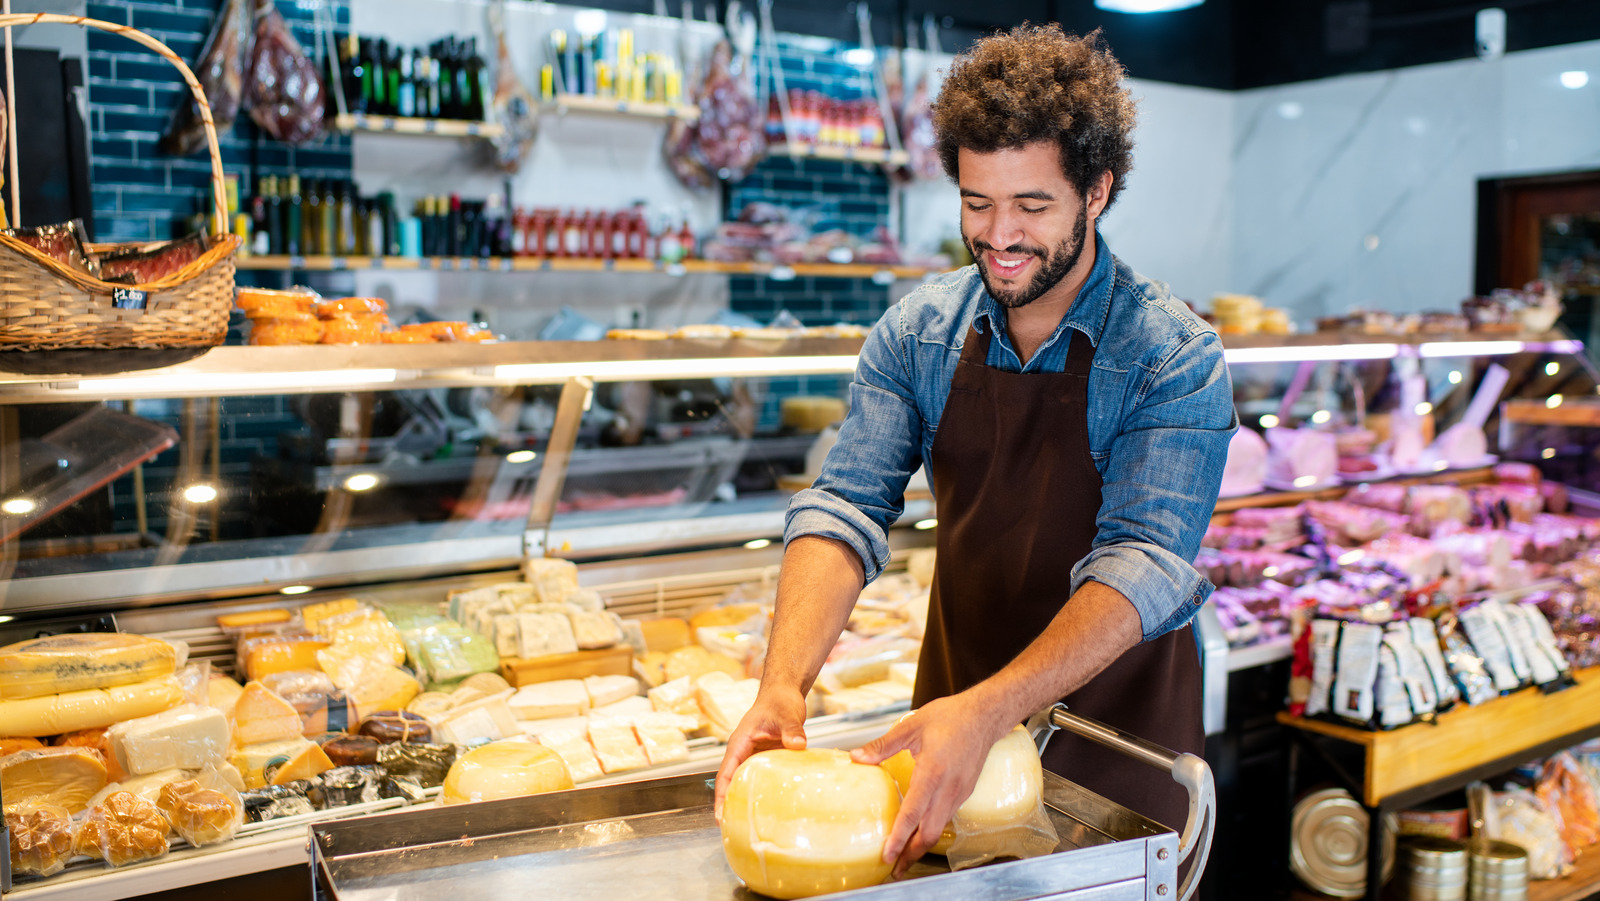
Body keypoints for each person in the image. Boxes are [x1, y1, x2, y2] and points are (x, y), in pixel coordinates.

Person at [713, 24, 1237, 877]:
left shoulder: (1170, 356)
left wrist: (992, 709)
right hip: (949, 737)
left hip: (1117, 751)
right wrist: (783, 683)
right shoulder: (917, 334)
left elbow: (1141, 563)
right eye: (976, 202)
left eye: (1032, 205)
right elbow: (845, 507)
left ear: (1097, 191)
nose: (999, 234)